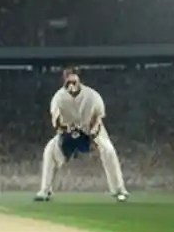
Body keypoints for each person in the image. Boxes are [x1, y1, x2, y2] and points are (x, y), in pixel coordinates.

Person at [35, 67, 129, 202]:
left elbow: (98, 118)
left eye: (73, 81)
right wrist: (66, 129)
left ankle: (119, 190)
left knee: (108, 150)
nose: (71, 85)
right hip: (68, 131)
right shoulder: (58, 98)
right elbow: (56, 122)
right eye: (68, 82)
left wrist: (93, 133)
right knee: (49, 150)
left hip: (91, 130)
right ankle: (45, 191)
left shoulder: (92, 96)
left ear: (79, 81)